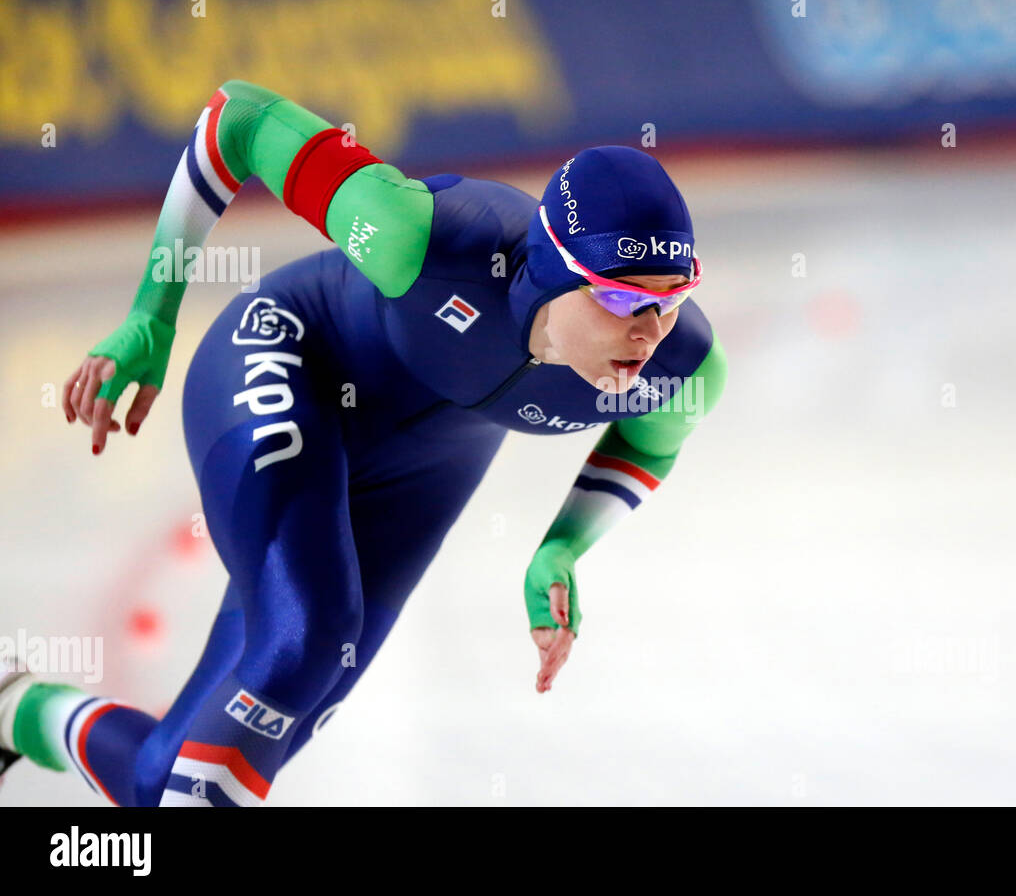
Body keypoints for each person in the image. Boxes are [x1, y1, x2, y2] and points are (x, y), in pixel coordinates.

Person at [0, 80, 726, 806]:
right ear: (550, 270)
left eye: (672, 297)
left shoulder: (683, 363)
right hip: (291, 359)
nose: (650, 329)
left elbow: (648, 446)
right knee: (310, 634)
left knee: (171, 776)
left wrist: (561, 547)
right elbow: (240, 118)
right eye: (624, 296)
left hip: (429, 467)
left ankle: (17, 709)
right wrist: (153, 317)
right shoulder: (425, 236)